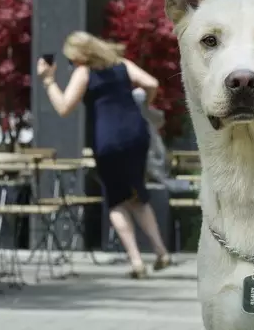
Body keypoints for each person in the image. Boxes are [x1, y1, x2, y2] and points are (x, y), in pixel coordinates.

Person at [37, 31, 171, 278]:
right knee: (137, 193)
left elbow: (64, 107)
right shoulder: (122, 65)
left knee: (117, 200)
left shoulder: (84, 73)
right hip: (136, 135)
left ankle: (136, 261)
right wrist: (144, 105)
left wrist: (48, 81)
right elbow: (151, 83)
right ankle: (161, 251)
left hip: (108, 140)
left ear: (80, 55)